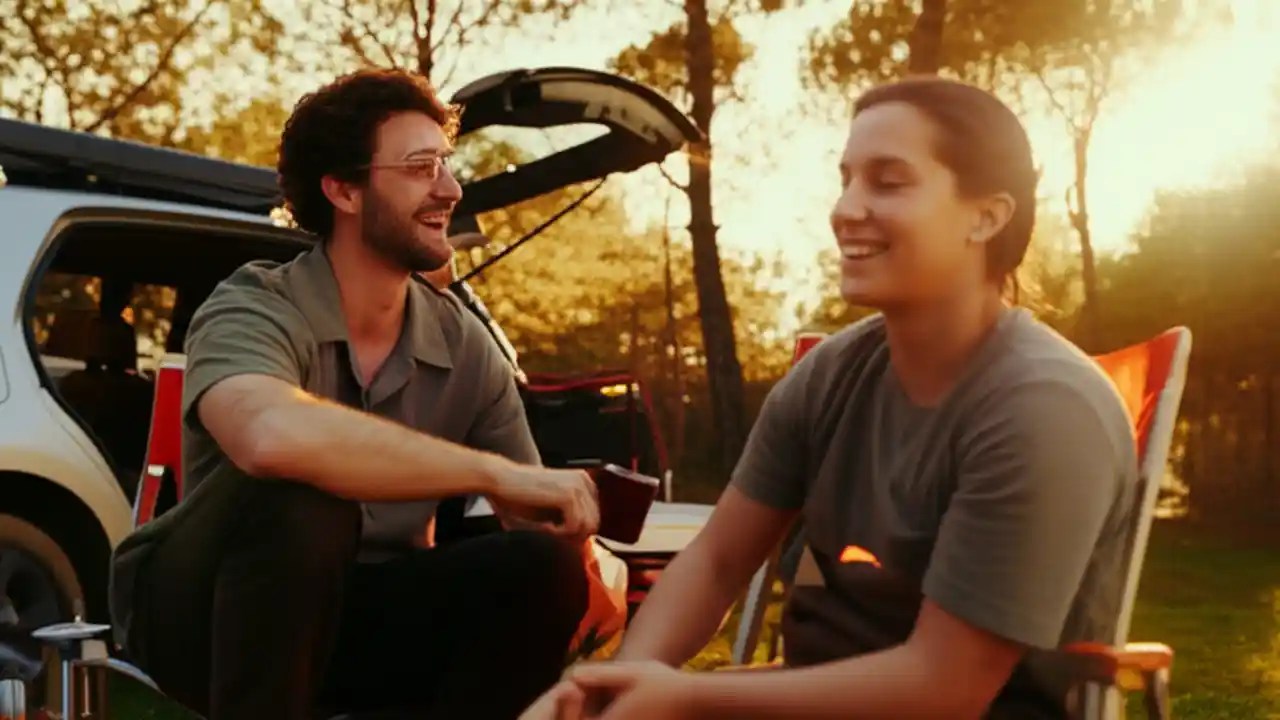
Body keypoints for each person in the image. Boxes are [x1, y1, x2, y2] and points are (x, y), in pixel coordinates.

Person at [523, 77, 1139, 719]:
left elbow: (945, 687)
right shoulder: (830, 377)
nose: (846, 209)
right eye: (846, 179)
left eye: (888, 182)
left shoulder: (1045, 411)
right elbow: (717, 561)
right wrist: (612, 693)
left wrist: (684, 700)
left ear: (986, 216)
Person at [108, 68, 600, 720]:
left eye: (446, 164)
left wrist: (584, 556)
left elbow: (535, 516)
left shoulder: (462, 342)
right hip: (208, 620)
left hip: (363, 618)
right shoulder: (254, 305)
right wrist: (493, 475)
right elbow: (269, 438)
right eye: (420, 168)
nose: (450, 189)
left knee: (541, 568)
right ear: (343, 189)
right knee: (304, 493)